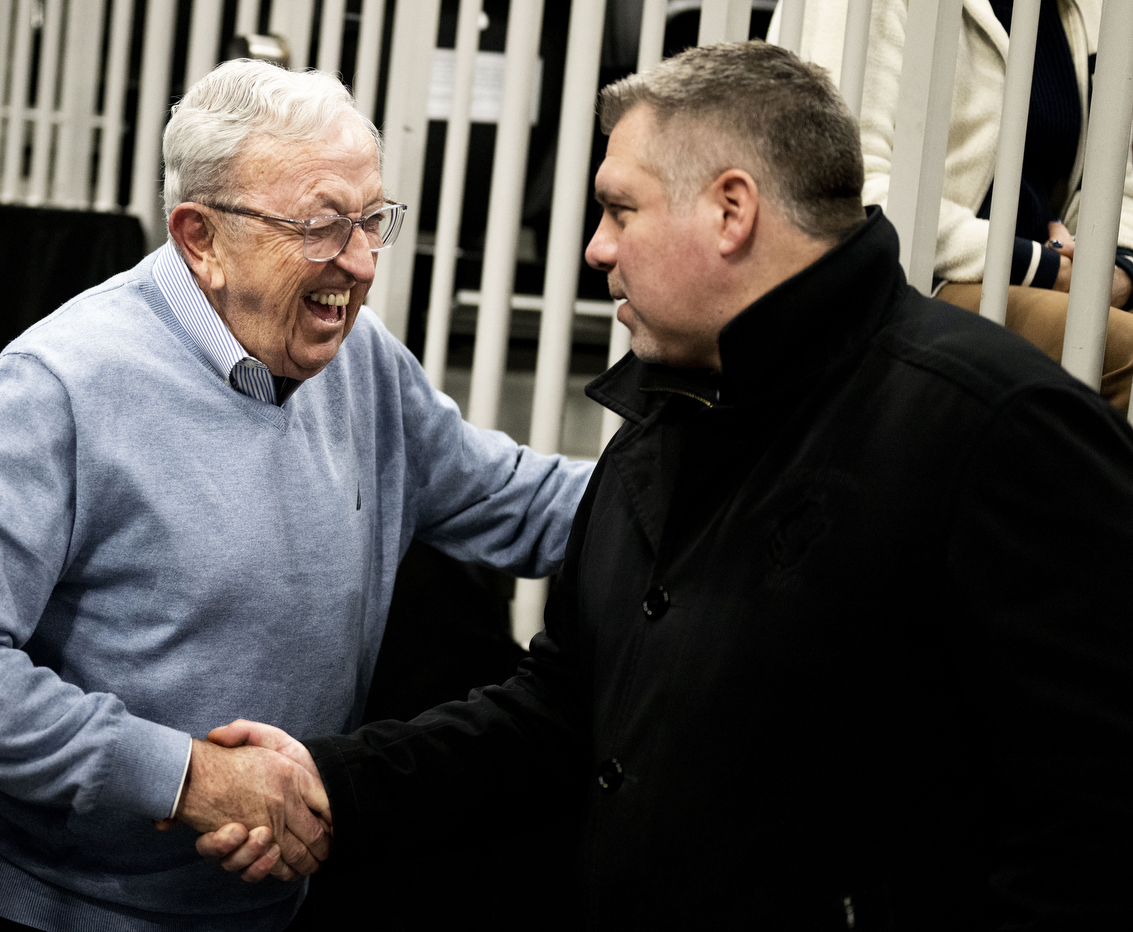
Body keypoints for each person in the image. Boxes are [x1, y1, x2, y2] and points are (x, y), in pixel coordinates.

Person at [197, 43, 1133, 929]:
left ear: (732, 211)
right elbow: (563, 712)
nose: (596, 249)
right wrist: (335, 785)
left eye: (620, 210)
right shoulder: (670, 414)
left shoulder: (998, 430)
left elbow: (1090, 817)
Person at [0, 60, 592, 932]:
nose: (360, 263)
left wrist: (707, 486)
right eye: (321, 226)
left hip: (266, 913)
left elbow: (520, 501)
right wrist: (186, 777)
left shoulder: (361, 361)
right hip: (47, 915)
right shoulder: (62, 384)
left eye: (371, 221)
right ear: (201, 237)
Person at [771, 0, 1133, 412]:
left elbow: (1118, 178)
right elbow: (844, 189)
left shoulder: (1086, 11)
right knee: (1122, 347)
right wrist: (1044, 267)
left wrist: (1118, 270)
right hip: (914, 275)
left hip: (1035, 274)